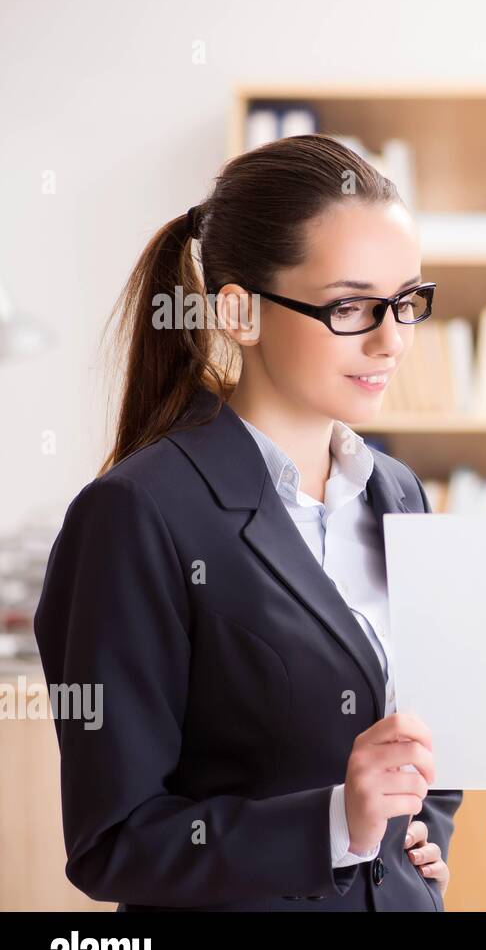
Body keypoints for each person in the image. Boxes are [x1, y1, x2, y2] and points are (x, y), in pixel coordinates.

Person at [34, 134, 460, 911]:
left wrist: (420, 827)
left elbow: (424, 733)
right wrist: (337, 822)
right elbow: (113, 840)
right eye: (352, 305)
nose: (392, 338)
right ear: (241, 311)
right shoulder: (137, 515)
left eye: (407, 301)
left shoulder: (397, 493)